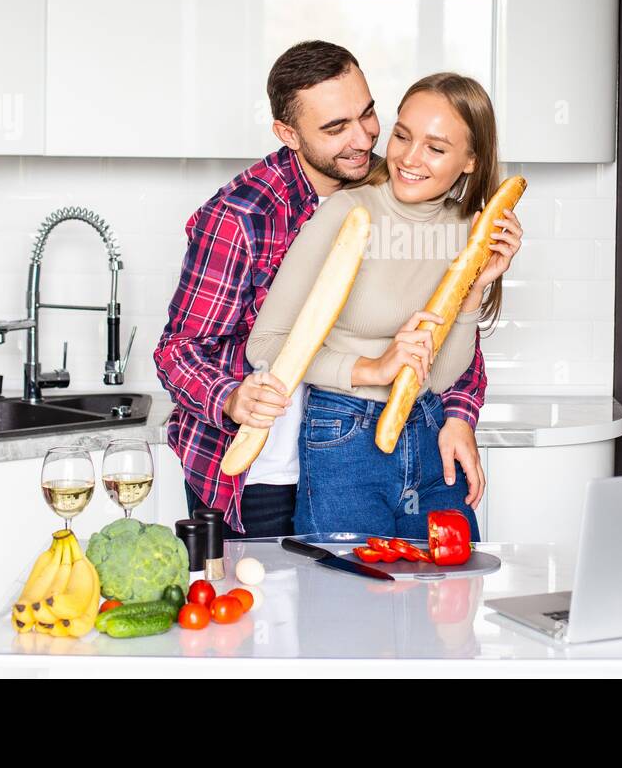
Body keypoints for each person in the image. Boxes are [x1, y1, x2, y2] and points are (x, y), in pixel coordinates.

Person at [154, 42, 499, 537]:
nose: (364, 140)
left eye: (368, 114)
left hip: (379, 453)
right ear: (287, 133)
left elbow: (438, 320)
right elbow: (177, 351)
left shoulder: (403, 179)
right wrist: (231, 398)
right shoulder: (241, 218)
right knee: (290, 610)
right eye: (336, 128)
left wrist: (460, 416)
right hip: (264, 478)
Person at [245, 73, 523, 540]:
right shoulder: (348, 213)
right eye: (402, 136)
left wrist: (476, 288)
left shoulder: (467, 234)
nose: (409, 159)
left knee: (446, 601)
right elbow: (267, 345)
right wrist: (373, 368)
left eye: (435, 148)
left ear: (470, 160)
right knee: (350, 603)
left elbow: (439, 376)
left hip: (431, 436)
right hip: (343, 438)